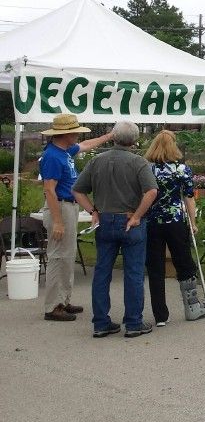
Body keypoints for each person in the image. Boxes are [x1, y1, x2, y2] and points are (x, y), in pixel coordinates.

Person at [72, 121, 159, 338]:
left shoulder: (97, 161)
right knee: (134, 273)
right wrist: (138, 216)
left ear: (114, 137)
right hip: (130, 221)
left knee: (102, 272)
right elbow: (151, 192)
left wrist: (93, 211)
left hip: (105, 220)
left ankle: (101, 323)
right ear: (134, 140)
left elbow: (77, 190)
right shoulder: (138, 162)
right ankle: (133, 322)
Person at [38, 114, 113, 322]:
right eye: (75, 132)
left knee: (67, 256)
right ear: (66, 134)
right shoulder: (53, 156)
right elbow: (49, 190)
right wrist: (58, 221)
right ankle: (53, 305)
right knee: (58, 257)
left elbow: (86, 145)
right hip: (60, 207)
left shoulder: (64, 151)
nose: (78, 135)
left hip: (68, 206)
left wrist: (109, 136)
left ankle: (63, 299)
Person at [143, 130, 201, 327]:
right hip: (175, 221)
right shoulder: (182, 169)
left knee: (155, 267)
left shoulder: (147, 169)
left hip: (152, 222)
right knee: (184, 262)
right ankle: (192, 307)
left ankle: (160, 315)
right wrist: (193, 222)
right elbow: (189, 197)